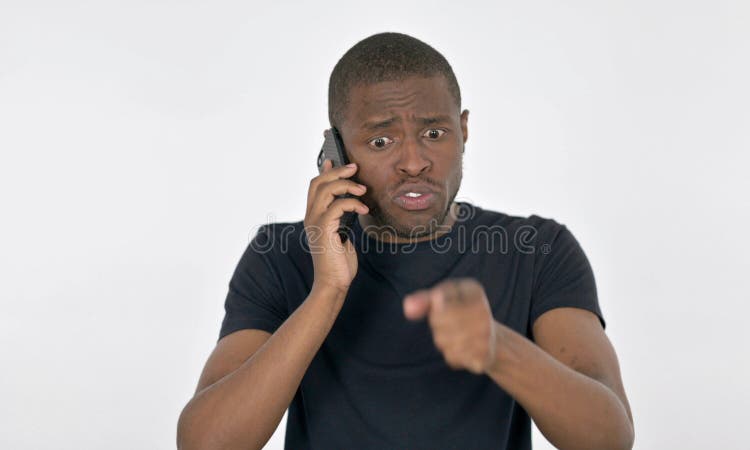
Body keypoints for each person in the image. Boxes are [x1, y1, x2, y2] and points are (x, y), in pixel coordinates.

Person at [177, 32, 634, 450]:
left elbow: (609, 437)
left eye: (434, 134)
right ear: (336, 150)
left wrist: (501, 349)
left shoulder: (538, 249)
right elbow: (206, 443)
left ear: (464, 131)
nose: (414, 162)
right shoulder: (280, 256)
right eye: (380, 141)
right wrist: (326, 292)